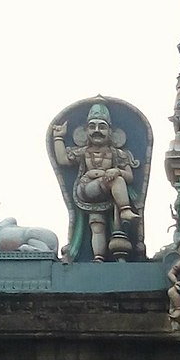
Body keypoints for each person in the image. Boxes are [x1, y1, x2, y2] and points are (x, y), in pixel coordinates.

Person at [52, 101, 141, 262]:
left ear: (111, 132)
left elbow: (130, 176)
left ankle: (98, 257)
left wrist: (117, 170)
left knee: (97, 224)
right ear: (85, 131)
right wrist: (58, 137)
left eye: (102, 127)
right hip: (86, 189)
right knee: (116, 180)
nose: (97, 131)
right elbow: (63, 160)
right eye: (92, 127)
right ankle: (125, 210)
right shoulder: (84, 152)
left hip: (106, 193)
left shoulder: (118, 154)